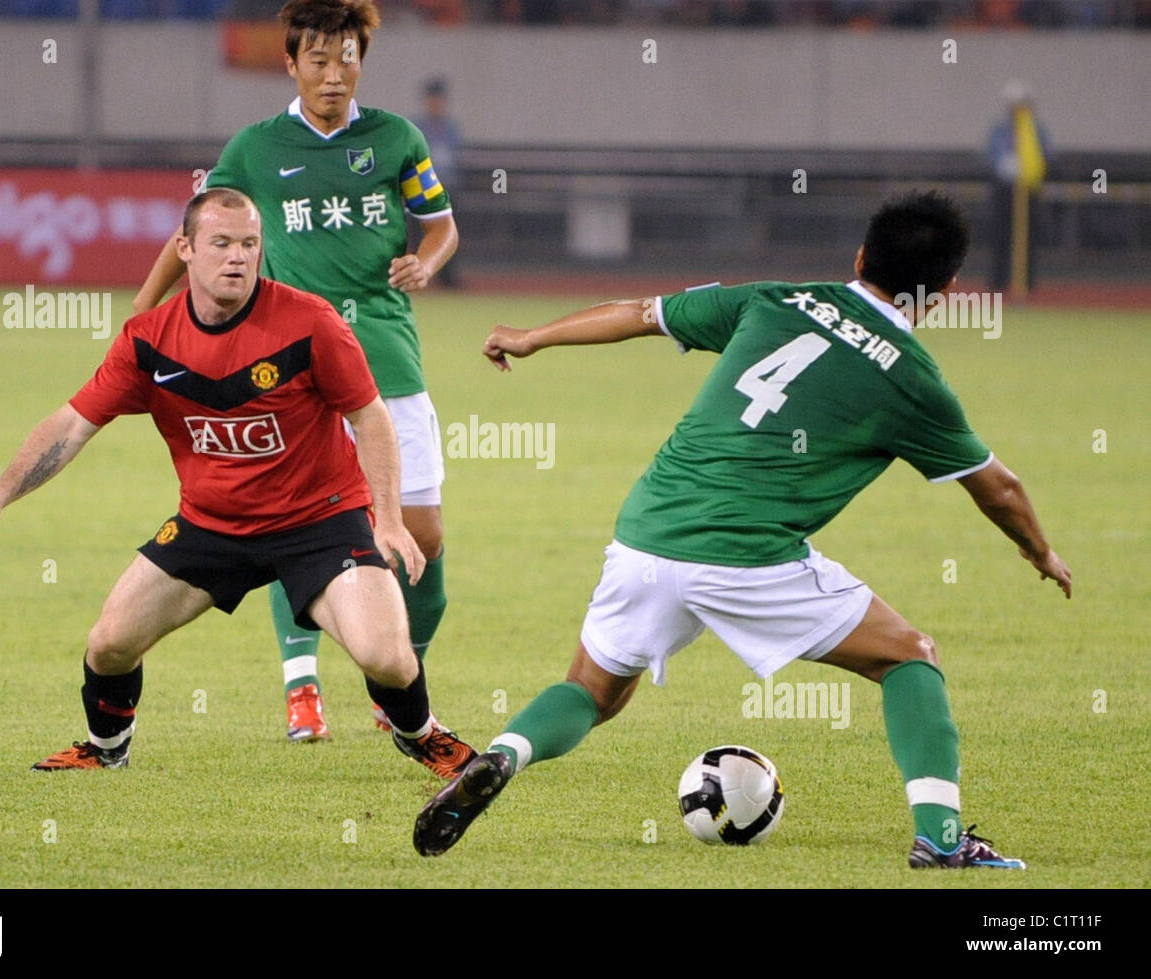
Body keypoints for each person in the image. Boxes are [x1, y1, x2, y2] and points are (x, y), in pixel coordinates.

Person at [414, 191, 1072, 868]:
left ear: (859, 257)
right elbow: (999, 486)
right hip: (746, 555)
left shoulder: (774, 298)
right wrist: (1041, 550)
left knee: (590, 689)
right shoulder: (911, 378)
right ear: (945, 292)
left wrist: (533, 336)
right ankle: (939, 837)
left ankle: (501, 755)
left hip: (648, 529)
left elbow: (642, 313)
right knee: (909, 656)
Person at [0, 188, 475, 780]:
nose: (237, 258)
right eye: (221, 243)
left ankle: (420, 734)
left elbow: (371, 417)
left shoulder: (310, 323)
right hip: (211, 525)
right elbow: (72, 425)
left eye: (249, 244)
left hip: (320, 522)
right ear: (185, 249)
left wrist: (390, 518)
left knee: (387, 658)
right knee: (109, 642)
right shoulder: (149, 340)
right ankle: (106, 747)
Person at [134, 0, 459, 745]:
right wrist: (141, 315)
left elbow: (440, 224)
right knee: (299, 528)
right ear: (291, 63)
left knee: (424, 534)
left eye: (347, 58)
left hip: (385, 356)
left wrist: (427, 260)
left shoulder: (396, 139)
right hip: (288, 370)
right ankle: (302, 686)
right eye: (318, 59)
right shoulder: (254, 147)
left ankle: (399, 675)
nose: (334, 74)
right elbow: (195, 232)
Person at [986, 79, 1050, 293]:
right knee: (1001, 237)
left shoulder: (1036, 130)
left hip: (1029, 191)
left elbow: (1047, 155)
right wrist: (1004, 164)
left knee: (1028, 238)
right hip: (1004, 191)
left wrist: (1028, 166)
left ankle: (1027, 283)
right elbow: (991, 155)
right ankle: (999, 283)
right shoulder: (1000, 130)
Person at [412, 77, 462, 288]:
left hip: (446, 187)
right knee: (417, 234)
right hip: (420, 190)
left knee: (448, 232)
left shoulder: (450, 127)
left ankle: (447, 279)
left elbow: (455, 156)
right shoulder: (418, 126)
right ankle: (416, 276)